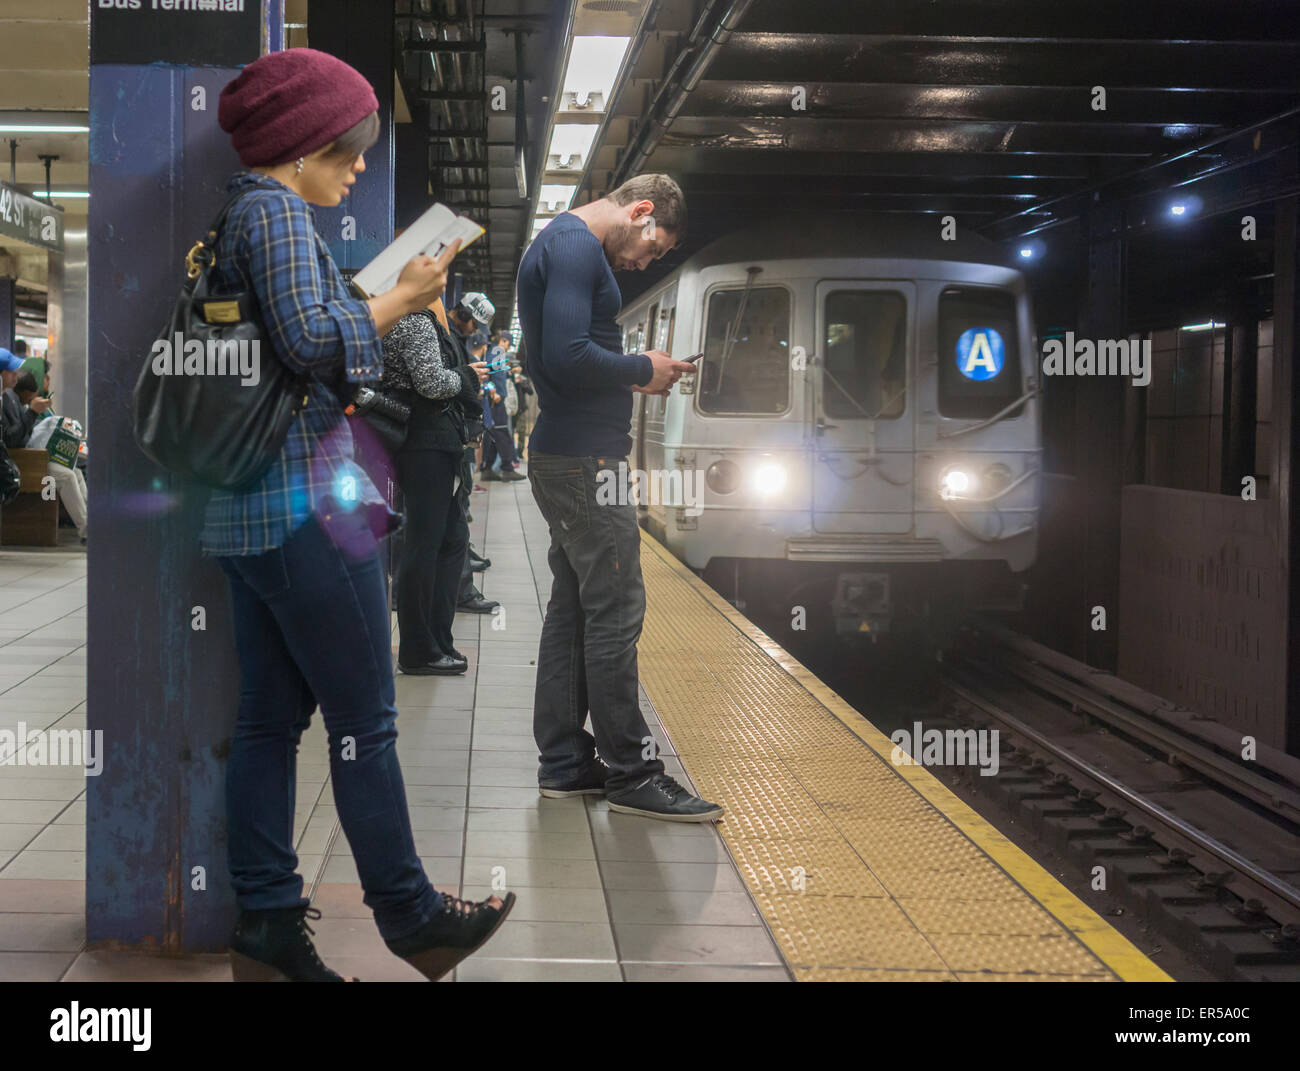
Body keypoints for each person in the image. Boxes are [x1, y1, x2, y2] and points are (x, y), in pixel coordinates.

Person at [206, 47, 513, 983]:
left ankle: (265, 925)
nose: (355, 171)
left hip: (242, 507)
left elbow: (282, 334)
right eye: (345, 152)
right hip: (300, 504)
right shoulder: (279, 214)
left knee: (265, 720)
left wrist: (365, 303)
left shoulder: (229, 219)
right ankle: (412, 915)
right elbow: (308, 342)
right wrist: (397, 302)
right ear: (302, 146)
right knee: (365, 720)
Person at [516, 173, 722, 822]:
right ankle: (631, 773)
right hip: (582, 460)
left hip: (570, 452)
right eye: (654, 248)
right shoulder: (576, 248)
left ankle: (566, 763)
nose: (646, 261)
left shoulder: (561, 246)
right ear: (640, 211)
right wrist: (643, 369)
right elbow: (566, 353)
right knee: (616, 607)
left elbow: (549, 352)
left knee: (576, 608)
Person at [381, 295, 488, 675]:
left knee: (450, 538)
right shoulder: (414, 322)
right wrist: (468, 376)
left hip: (434, 444)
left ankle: (438, 639)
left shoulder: (420, 321)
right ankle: (417, 649)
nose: (444, 297)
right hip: (424, 445)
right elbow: (430, 383)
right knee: (424, 546)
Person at [14, 371, 88, 544]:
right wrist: (32, 412)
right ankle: (86, 530)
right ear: (25, 393)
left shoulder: (20, 405)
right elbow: (15, 438)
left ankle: (92, 519)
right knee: (67, 476)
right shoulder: (17, 406)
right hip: (28, 464)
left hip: (35, 459)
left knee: (75, 472)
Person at [479, 330, 524, 481]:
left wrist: (510, 372)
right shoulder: (496, 351)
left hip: (496, 399)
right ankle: (507, 468)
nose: (507, 347)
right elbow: (488, 374)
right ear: (503, 341)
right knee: (502, 433)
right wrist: (493, 391)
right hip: (495, 400)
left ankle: (487, 469)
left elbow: (497, 373)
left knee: (494, 434)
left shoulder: (495, 352)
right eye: (508, 344)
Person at [1, 348, 50, 448]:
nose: (15, 372)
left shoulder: (11, 395)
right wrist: (32, 412)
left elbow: (25, 428)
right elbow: (9, 440)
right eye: (10, 369)